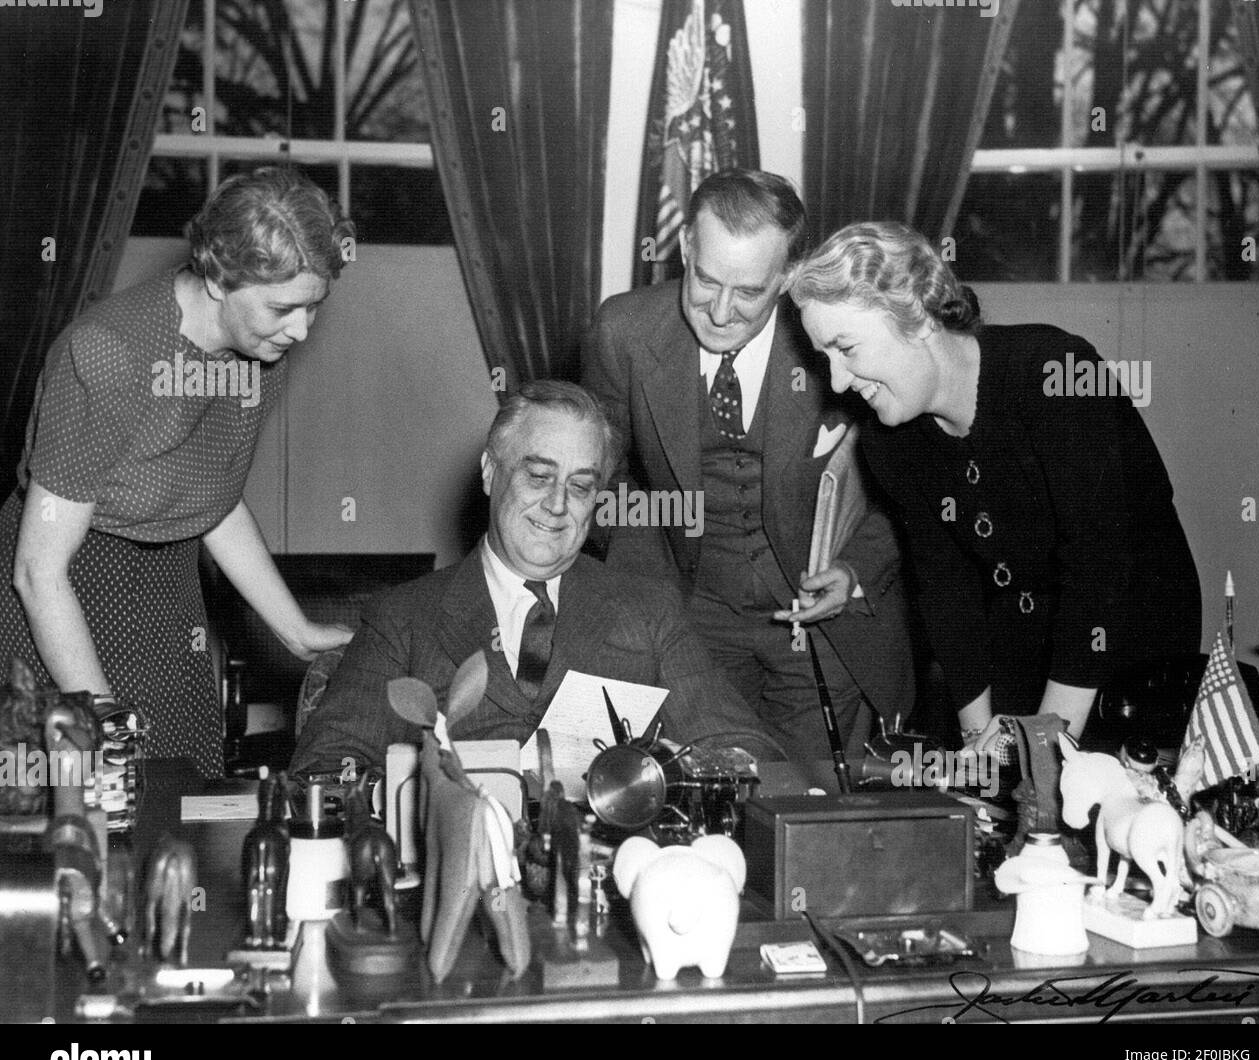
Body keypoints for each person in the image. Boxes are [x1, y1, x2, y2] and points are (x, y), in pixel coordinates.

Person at [788, 221, 1203, 751]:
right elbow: (947, 592)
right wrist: (979, 740)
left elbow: (1099, 577)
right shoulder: (890, 442)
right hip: (1025, 660)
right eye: (826, 359)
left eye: (846, 348)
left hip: (1135, 658)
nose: (840, 381)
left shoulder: (1057, 372)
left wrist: (1037, 751)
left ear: (915, 316)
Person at [0, 166, 356, 779]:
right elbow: (38, 571)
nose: (300, 330)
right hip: (65, 581)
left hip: (166, 583)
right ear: (218, 275)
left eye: (313, 307)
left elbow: (212, 500)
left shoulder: (259, 353)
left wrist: (294, 630)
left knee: (179, 793)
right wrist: (102, 717)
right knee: (82, 801)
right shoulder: (108, 354)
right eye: (283, 308)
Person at [582, 169, 913, 766]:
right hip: (691, 619)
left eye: (750, 293)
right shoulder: (623, 332)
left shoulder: (836, 341)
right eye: (705, 280)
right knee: (708, 804)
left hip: (819, 630)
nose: (720, 310)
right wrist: (657, 596)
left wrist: (856, 569)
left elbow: (906, 486)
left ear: (787, 277)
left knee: (807, 816)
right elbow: (600, 479)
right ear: (685, 247)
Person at [290, 380, 785, 778]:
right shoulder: (402, 618)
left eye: (581, 486)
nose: (556, 505)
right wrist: (424, 792)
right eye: (538, 476)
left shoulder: (649, 611)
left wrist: (669, 769)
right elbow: (326, 769)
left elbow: (747, 751)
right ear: (490, 472)